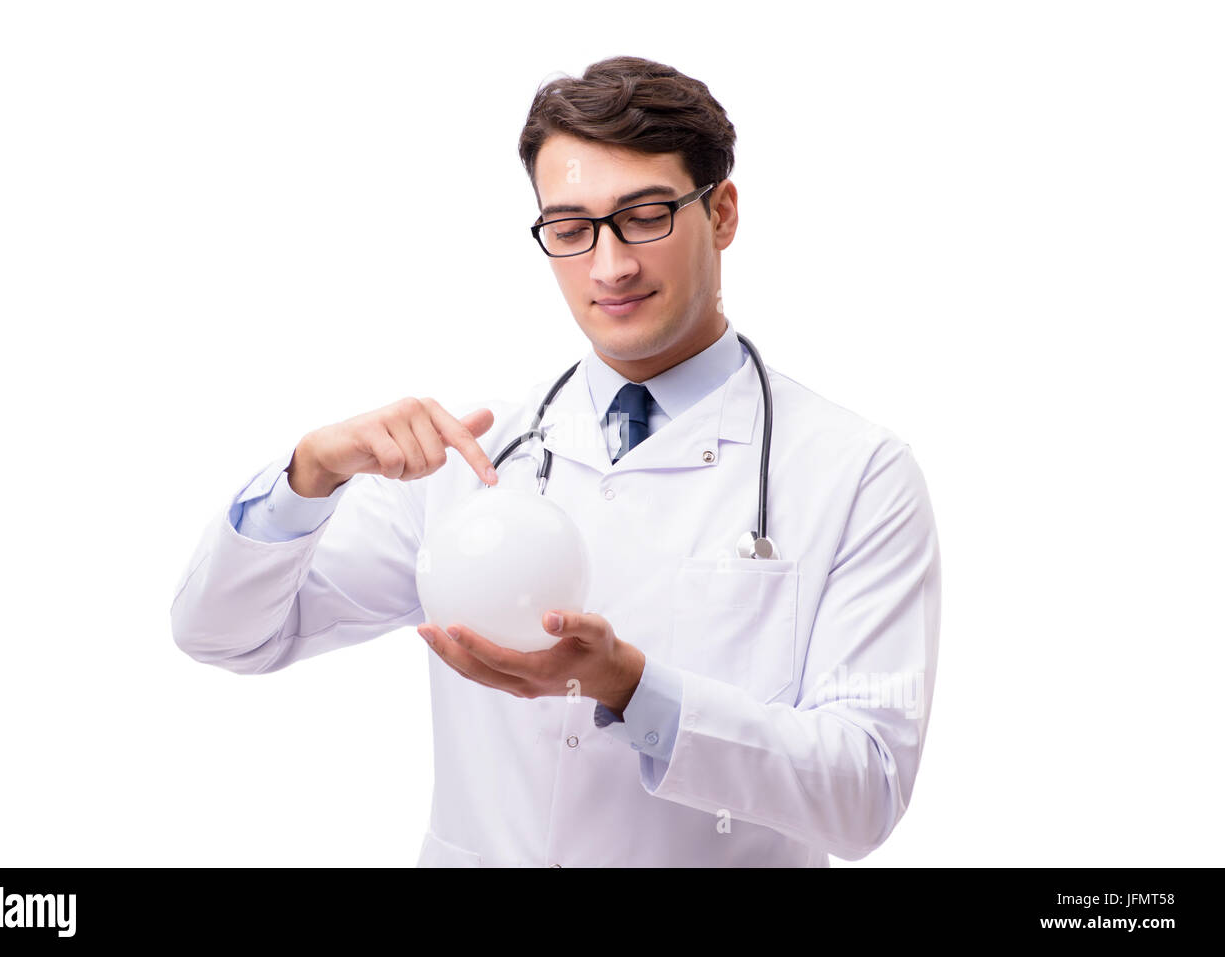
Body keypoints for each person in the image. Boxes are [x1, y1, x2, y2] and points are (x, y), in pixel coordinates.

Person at [170, 55, 942, 867]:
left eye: (644, 216)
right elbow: (222, 635)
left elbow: (868, 791)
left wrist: (635, 689)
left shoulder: (857, 472)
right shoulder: (468, 452)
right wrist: (307, 477)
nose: (609, 267)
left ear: (722, 213)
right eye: (571, 229)